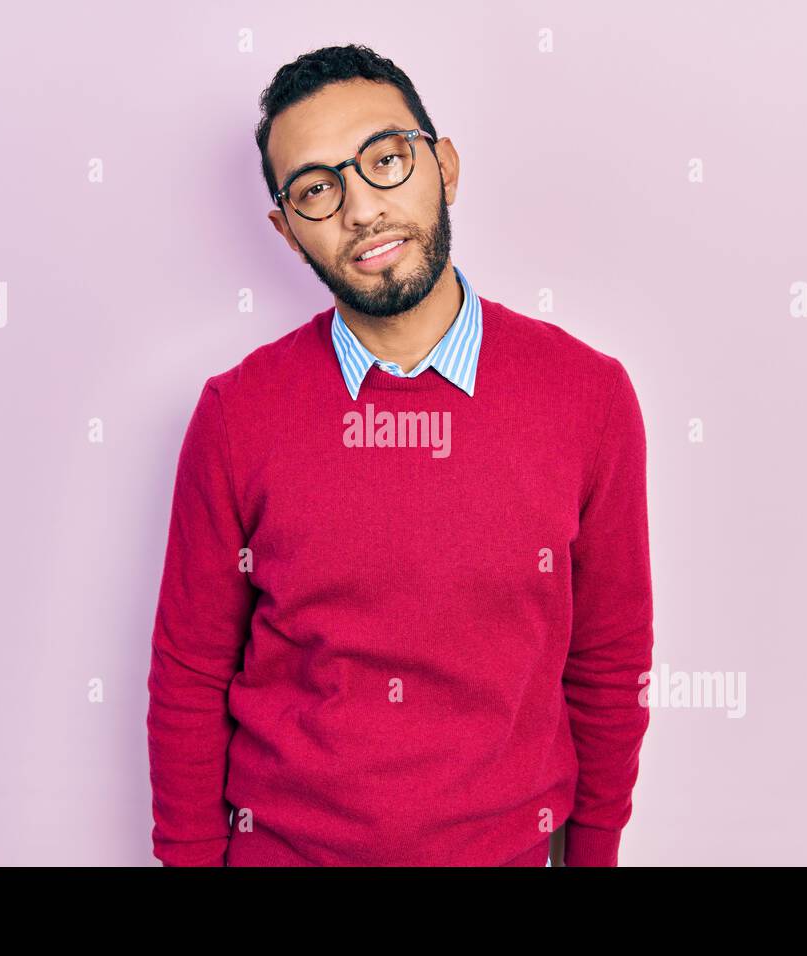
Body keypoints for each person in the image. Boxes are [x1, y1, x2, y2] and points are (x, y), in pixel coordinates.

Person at [147, 43, 653, 867]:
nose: (361, 210)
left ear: (444, 166)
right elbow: (190, 675)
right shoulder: (236, 415)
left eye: (386, 159)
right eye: (318, 189)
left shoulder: (589, 398)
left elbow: (609, 658)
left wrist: (593, 854)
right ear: (286, 231)